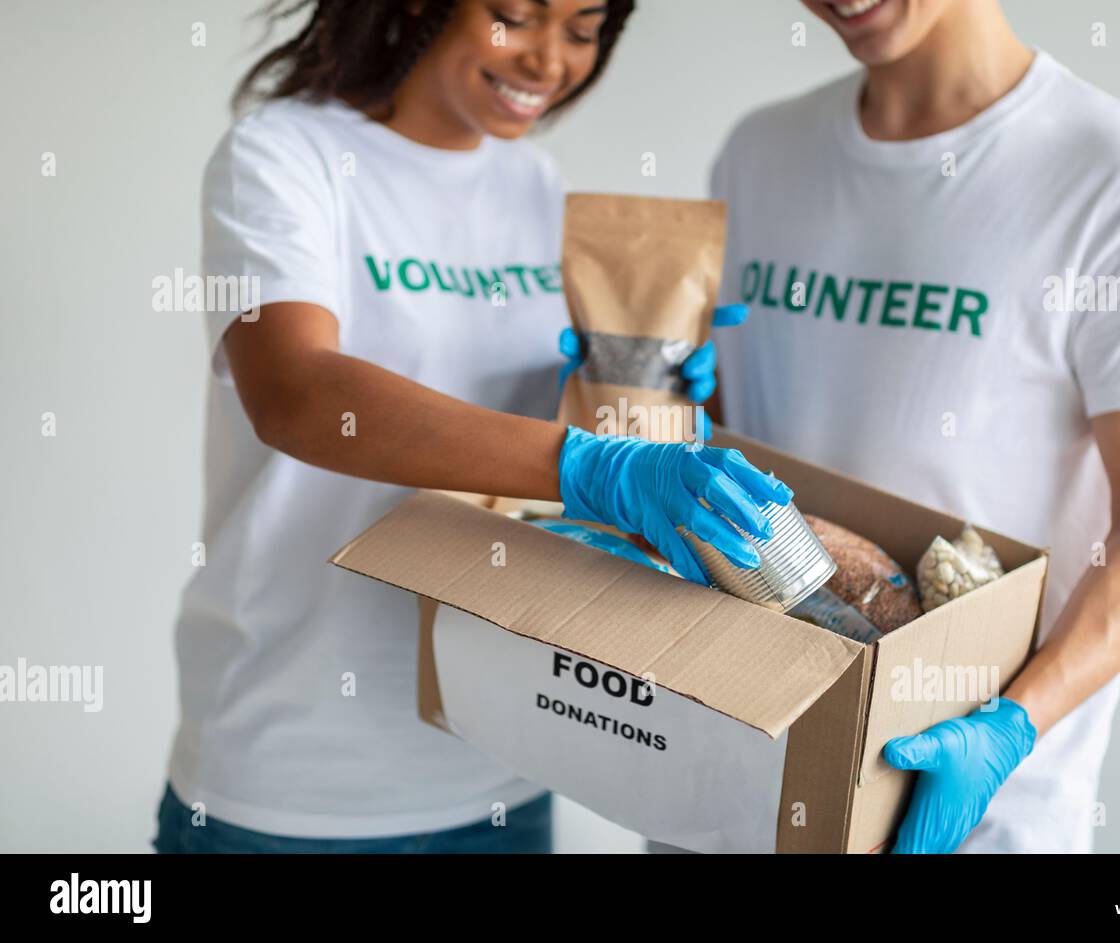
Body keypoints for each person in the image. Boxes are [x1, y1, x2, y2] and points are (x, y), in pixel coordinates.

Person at [155, 0, 792, 855]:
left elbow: (514, 454)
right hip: (296, 777)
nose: (549, 62)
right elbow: (297, 392)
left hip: (502, 753)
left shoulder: (532, 182)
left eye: (582, 28)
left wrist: (652, 388)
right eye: (515, 16)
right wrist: (589, 463)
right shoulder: (283, 154)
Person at [707, 0, 1120, 852]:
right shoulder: (759, 154)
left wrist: (1011, 726)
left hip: (964, 813)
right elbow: (742, 429)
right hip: (736, 779)